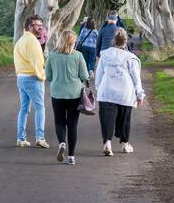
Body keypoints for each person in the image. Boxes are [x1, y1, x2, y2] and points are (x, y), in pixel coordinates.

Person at [94, 28, 144, 154]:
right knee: (124, 119)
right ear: (125, 42)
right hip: (125, 93)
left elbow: (99, 75)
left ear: (113, 41)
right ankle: (125, 144)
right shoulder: (131, 58)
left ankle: (107, 143)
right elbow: (136, 78)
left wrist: (99, 89)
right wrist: (139, 94)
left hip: (107, 91)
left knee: (107, 119)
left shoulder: (104, 54)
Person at [46, 29, 90, 166]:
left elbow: (48, 76)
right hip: (74, 94)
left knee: (59, 122)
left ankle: (62, 143)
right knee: (72, 125)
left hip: (57, 93)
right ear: (73, 41)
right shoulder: (78, 56)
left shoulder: (52, 55)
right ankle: (71, 156)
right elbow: (85, 76)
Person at [13, 15, 49, 149]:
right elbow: (38, 62)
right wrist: (42, 77)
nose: (39, 27)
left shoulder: (20, 41)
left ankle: (21, 138)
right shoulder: (33, 42)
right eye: (36, 25)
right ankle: (40, 137)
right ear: (29, 26)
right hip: (32, 78)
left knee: (24, 108)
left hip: (21, 77)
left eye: (41, 25)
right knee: (40, 108)